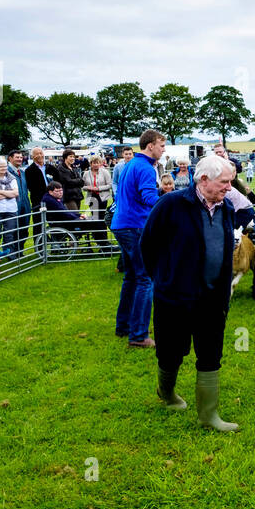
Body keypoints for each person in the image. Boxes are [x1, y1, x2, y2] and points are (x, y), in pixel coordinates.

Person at [140, 154, 246, 432]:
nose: (228, 187)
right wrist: (164, 279)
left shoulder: (227, 208)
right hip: (174, 298)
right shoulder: (171, 205)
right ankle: (167, 392)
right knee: (171, 352)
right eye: (224, 182)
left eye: (230, 182)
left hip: (212, 299)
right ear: (203, 180)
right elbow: (147, 244)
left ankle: (209, 416)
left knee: (211, 353)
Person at [111, 129, 165, 348]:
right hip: (135, 226)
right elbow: (149, 197)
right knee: (145, 278)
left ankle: (125, 326)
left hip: (122, 224)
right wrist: (171, 200)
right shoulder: (145, 167)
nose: (163, 150)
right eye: (161, 145)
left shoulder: (131, 164)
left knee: (132, 277)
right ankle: (139, 335)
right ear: (150, 145)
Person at [6, 150, 32, 254]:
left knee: (24, 228)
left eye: (21, 157)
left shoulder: (22, 172)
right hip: (13, 204)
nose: (20, 159)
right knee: (12, 229)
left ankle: (19, 250)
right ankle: (11, 252)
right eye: (17, 157)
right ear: (10, 158)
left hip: (25, 204)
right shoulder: (6, 172)